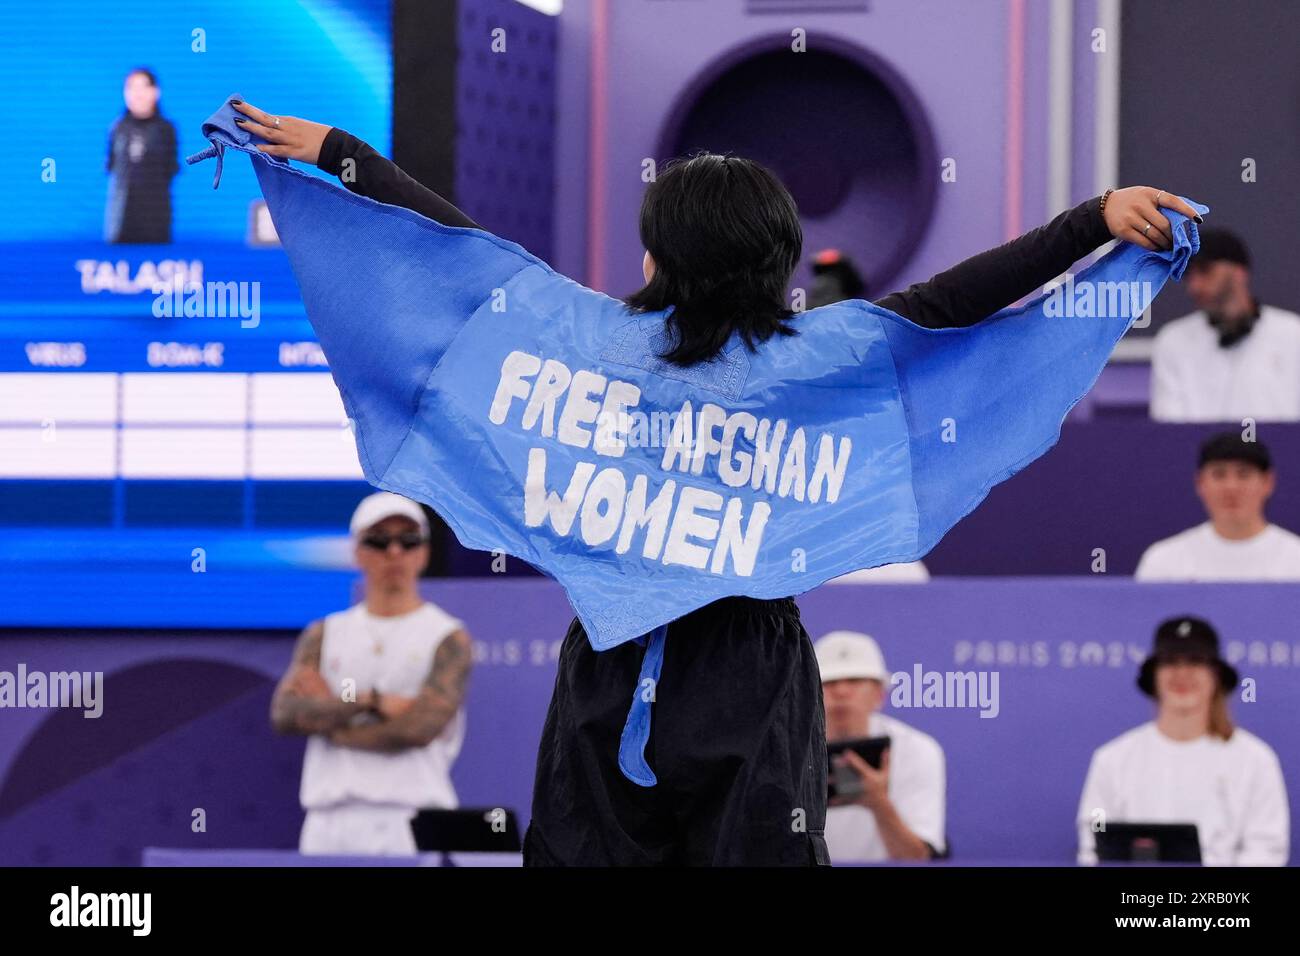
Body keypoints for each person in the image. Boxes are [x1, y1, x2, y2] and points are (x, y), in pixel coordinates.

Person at [228, 97, 1198, 866]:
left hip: (617, 666)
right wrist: (1092, 222)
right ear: (776, 259)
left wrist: (339, 157)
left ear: (657, 255)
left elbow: (452, 254)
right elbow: (957, 302)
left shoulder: (581, 339)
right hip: (736, 666)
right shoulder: (827, 351)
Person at [270, 492, 473, 855]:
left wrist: (331, 716)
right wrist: (374, 701)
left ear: (424, 552)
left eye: (408, 541)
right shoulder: (324, 633)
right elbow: (285, 714)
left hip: (410, 822)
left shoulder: (447, 636)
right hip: (328, 823)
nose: (394, 552)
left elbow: (418, 729)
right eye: (379, 541)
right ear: (357, 551)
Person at [1076, 616, 1288, 866]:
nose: (1182, 673)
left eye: (1196, 662)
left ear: (1216, 676)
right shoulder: (1112, 760)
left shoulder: (1255, 760)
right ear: (1153, 676)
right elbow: (1095, 834)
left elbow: (1266, 850)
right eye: (1170, 662)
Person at [816, 631, 946, 862]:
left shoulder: (918, 751)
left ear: (879, 694)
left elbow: (917, 859)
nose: (841, 691)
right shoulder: (783, 751)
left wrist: (878, 803)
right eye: (829, 682)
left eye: (855, 680)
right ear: (808, 692)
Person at [1150, 228, 1300, 422]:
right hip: (1204, 452)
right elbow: (1170, 430)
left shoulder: (1293, 335)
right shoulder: (1173, 341)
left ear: (1239, 272)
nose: (1194, 286)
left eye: (1205, 270)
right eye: (1188, 275)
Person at [1135, 431, 1300, 581]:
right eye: (1219, 474)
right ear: (1200, 483)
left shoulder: (1295, 558)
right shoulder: (1165, 561)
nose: (1231, 487)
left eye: (1243, 474)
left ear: (1267, 482)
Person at [105, 68, 179, 244]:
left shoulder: (165, 130)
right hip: (121, 221)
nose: (137, 94)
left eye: (142, 87)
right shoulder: (118, 129)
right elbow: (112, 167)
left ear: (155, 92)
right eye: (131, 87)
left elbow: (170, 169)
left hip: (156, 219)